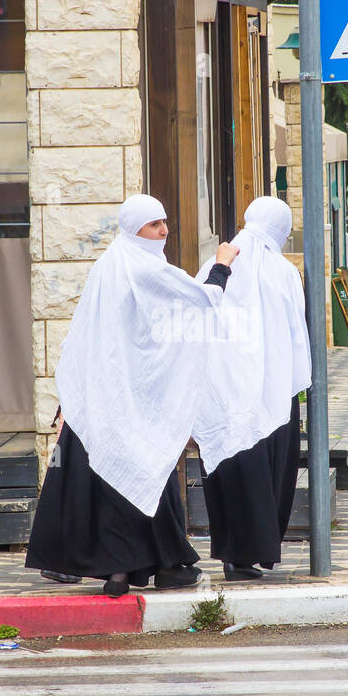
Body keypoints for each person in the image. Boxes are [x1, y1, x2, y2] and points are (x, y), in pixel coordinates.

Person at [26, 194, 239, 597]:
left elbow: (88, 335)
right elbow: (204, 299)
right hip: (132, 397)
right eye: (154, 224)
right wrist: (223, 263)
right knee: (144, 472)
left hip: (104, 394)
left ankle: (136, 568)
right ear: (133, 227)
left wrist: (74, 398)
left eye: (164, 222)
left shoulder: (110, 263)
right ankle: (144, 567)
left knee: (116, 477)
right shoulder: (143, 268)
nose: (164, 231)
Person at [193, 196, 312, 580]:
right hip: (274, 390)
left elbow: (197, 313)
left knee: (231, 465)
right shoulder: (283, 272)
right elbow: (297, 330)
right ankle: (257, 552)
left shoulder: (218, 264)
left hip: (225, 390)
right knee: (271, 468)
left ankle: (232, 553)